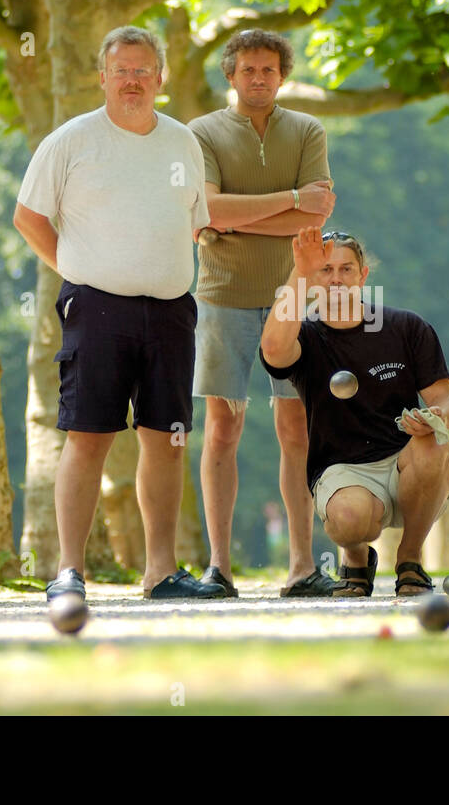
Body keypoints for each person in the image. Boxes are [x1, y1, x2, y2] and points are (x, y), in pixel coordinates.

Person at [13, 25, 223, 601]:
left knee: (169, 437)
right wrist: (79, 269)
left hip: (173, 311)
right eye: (121, 69)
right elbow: (29, 218)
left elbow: (195, 221)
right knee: (88, 436)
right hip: (95, 308)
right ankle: (69, 573)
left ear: (159, 78)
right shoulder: (71, 140)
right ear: (102, 77)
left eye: (142, 70)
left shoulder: (183, 141)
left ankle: (160, 572)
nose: (132, 80)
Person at [188, 30, 338, 597]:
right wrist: (289, 200)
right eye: (248, 69)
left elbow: (315, 215)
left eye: (269, 70)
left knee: (295, 427)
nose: (258, 78)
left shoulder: (307, 130)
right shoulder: (201, 133)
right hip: (221, 294)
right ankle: (219, 568)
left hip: (294, 295)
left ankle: (302, 566)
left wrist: (232, 217)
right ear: (230, 74)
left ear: (282, 75)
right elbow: (205, 208)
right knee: (222, 428)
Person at [259, 227, 449, 597]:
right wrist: (298, 274)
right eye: (325, 270)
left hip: (406, 460)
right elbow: (272, 349)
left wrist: (434, 417)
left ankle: (410, 560)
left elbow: (447, 400)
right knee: (351, 522)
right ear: (312, 279)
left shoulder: (406, 327)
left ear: (363, 275)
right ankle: (354, 557)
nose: (336, 279)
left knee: (435, 443)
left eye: (346, 269)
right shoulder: (303, 335)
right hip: (342, 470)